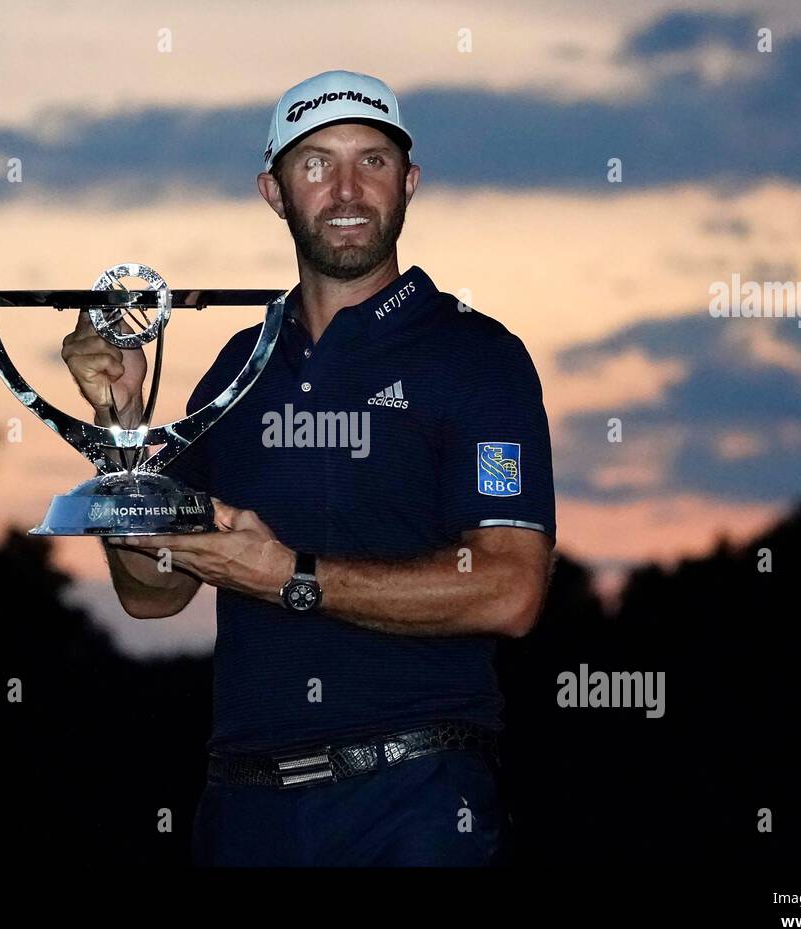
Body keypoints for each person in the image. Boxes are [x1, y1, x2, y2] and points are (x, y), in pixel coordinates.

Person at [61, 69, 556, 866]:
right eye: (316, 163)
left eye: (374, 160)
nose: (348, 187)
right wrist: (119, 429)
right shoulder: (237, 365)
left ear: (410, 182)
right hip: (245, 807)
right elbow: (151, 591)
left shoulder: (476, 356)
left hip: (415, 798)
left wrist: (288, 576)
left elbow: (512, 589)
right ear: (273, 189)